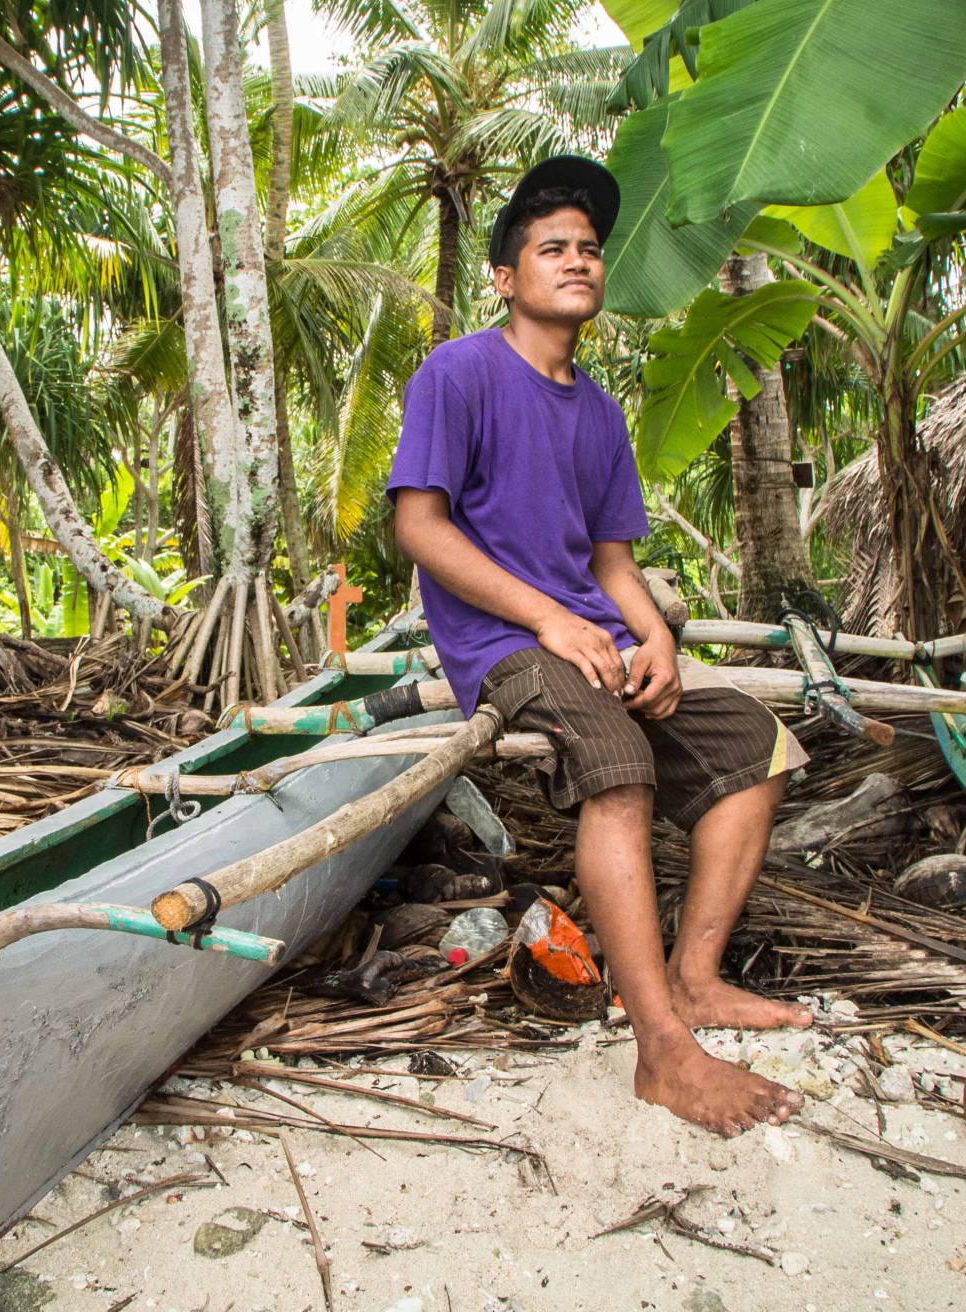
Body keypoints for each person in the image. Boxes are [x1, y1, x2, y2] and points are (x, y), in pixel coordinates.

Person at [386, 156, 812, 1136]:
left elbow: (613, 562)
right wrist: (546, 616)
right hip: (505, 644)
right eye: (550, 247)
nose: (576, 259)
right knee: (616, 764)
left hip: (594, 639)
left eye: (587, 247)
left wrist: (655, 637)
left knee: (758, 747)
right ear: (504, 276)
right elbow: (420, 527)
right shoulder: (458, 371)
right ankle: (662, 1050)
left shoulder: (602, 411)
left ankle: (695, 979)